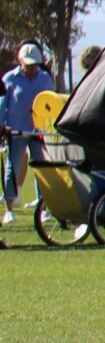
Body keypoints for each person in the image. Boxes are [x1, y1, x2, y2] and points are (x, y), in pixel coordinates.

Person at [2, 42, 55, 224]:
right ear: (21, 61)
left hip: (39, 131)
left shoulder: (46, 79)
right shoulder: (9, 79)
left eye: (35, 65)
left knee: (42, 169)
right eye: (29, 64)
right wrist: (2, 125)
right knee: (13, 168)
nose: (32, 68)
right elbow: (2, 105)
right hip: (16, 131)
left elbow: (51, 102)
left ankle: (44, 208)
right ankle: (8, 209)